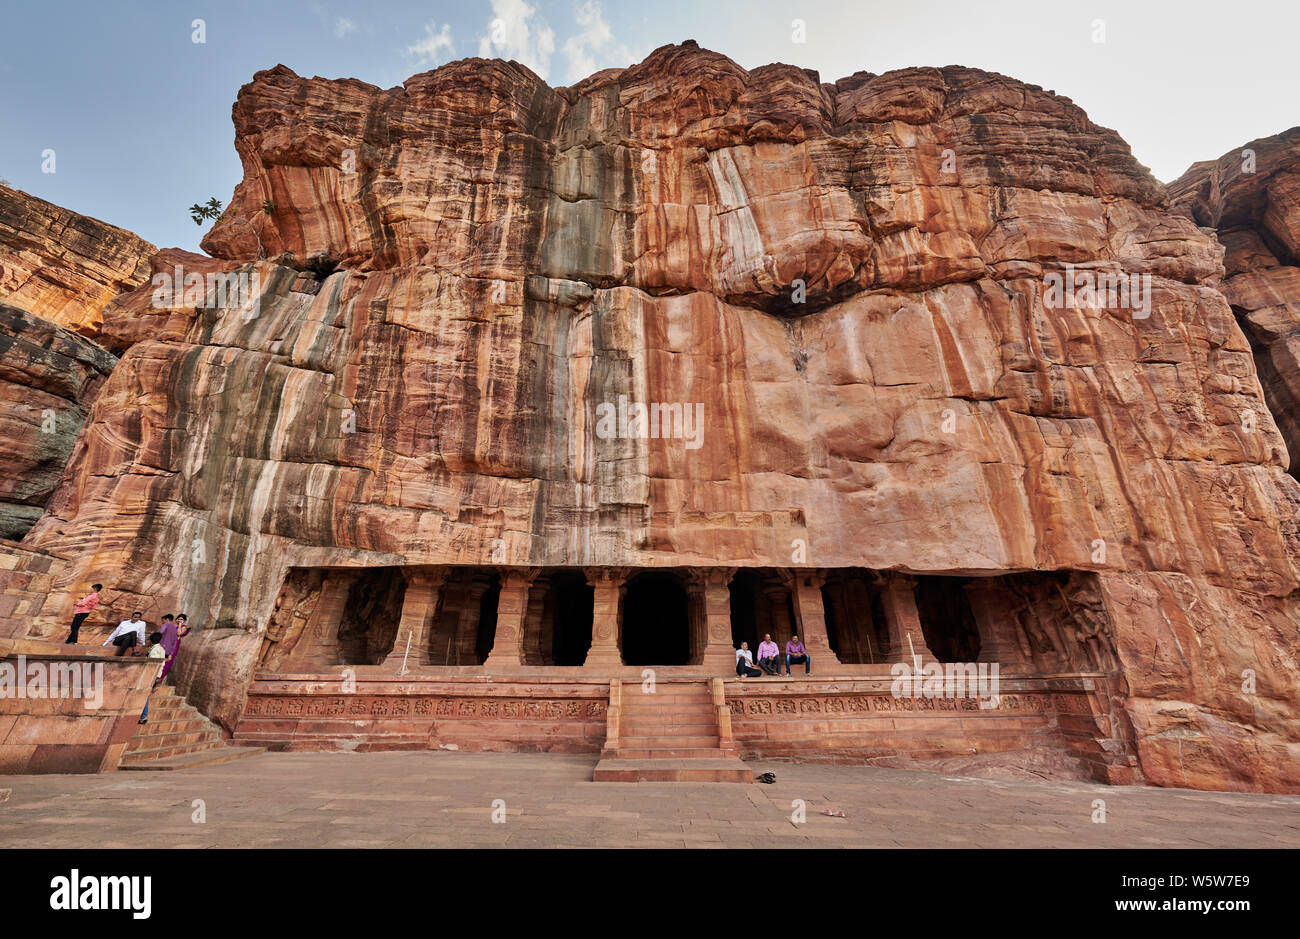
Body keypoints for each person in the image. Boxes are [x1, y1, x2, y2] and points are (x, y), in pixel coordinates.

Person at [138, 632, 167, 724]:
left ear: (151, 641)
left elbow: (152, 664)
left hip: (152, 674)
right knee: (145, 694)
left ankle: (143, 716)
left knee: (144, 694)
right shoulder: (160, 649)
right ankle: (143, 716)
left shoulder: (155, 650)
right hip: (157, 674)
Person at [158, 613, 191, 683]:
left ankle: (160, 678)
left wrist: (179, 625)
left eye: (181, 619)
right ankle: (156, 674)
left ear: (184, 621)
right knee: (161, 657)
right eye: (178, 619)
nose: (179, 620)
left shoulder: (184, 627)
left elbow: (179, 633)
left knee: (168, 659)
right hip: (167, 643)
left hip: (175, 644)